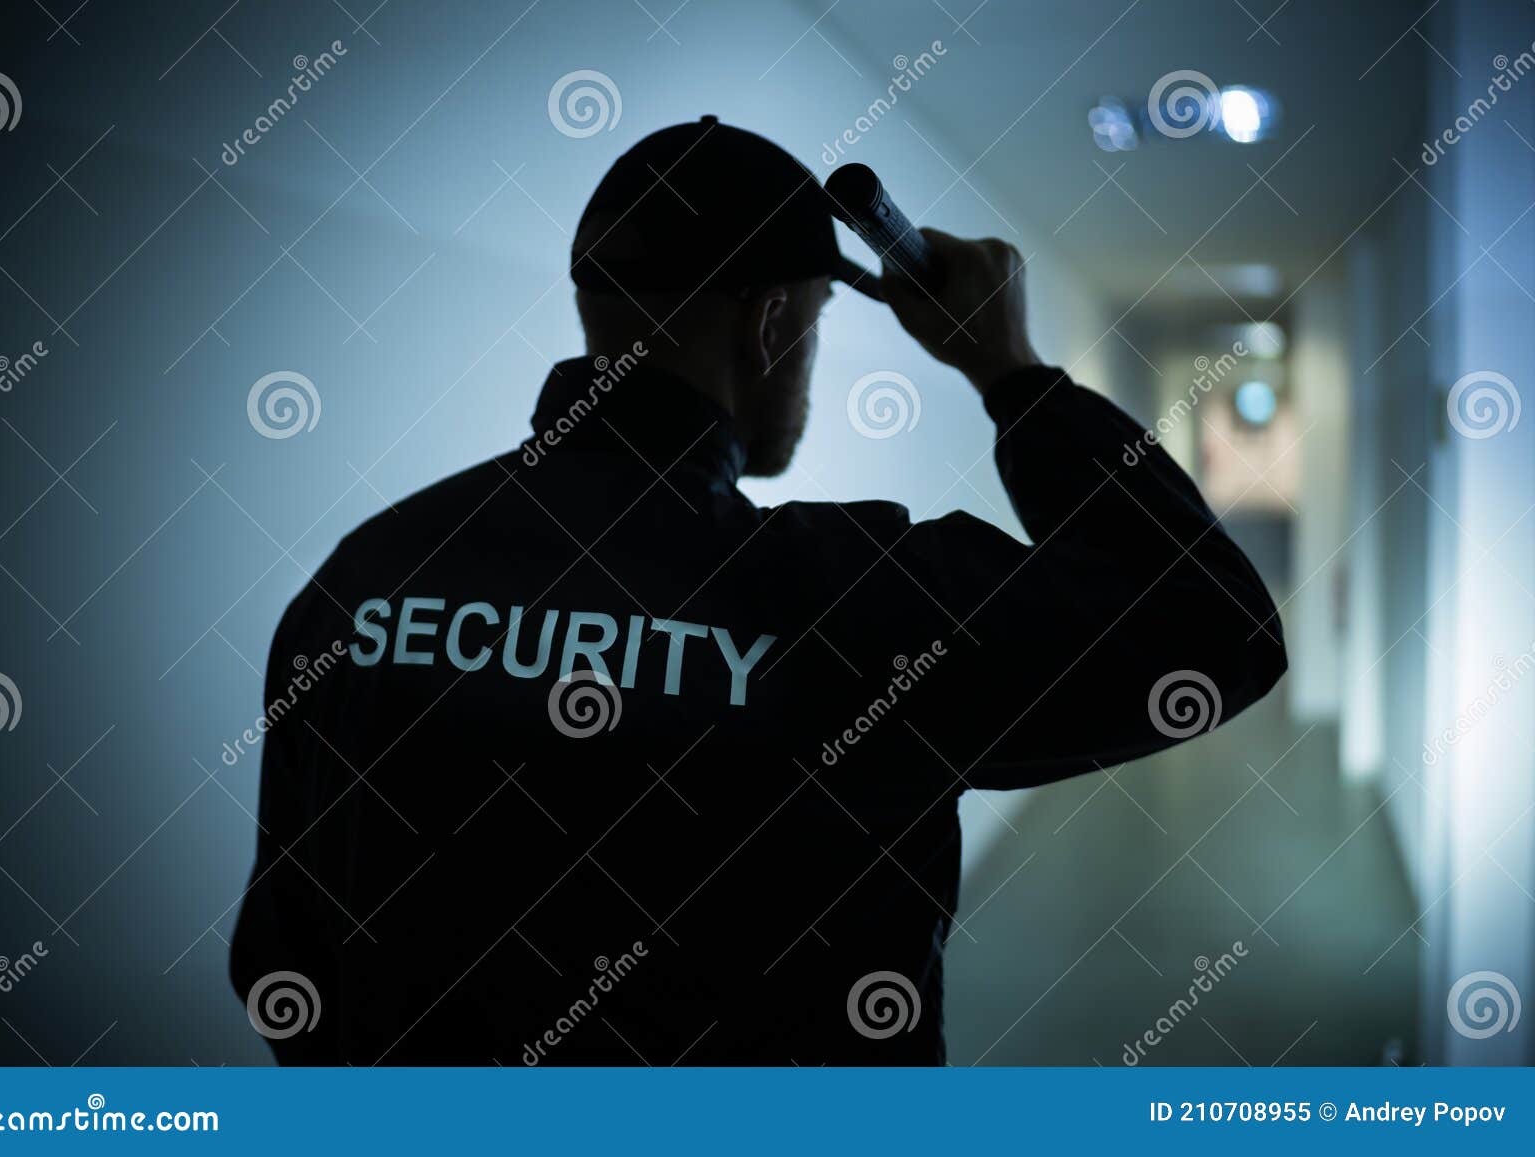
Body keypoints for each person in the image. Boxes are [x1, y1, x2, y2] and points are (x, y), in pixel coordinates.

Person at [230, 117, 1286, 1065]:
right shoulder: (851, 600)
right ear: (771, 323)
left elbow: (283, 957)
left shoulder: (367, 575)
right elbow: (1209, 627)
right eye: (818, 320)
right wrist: (1010, 371)